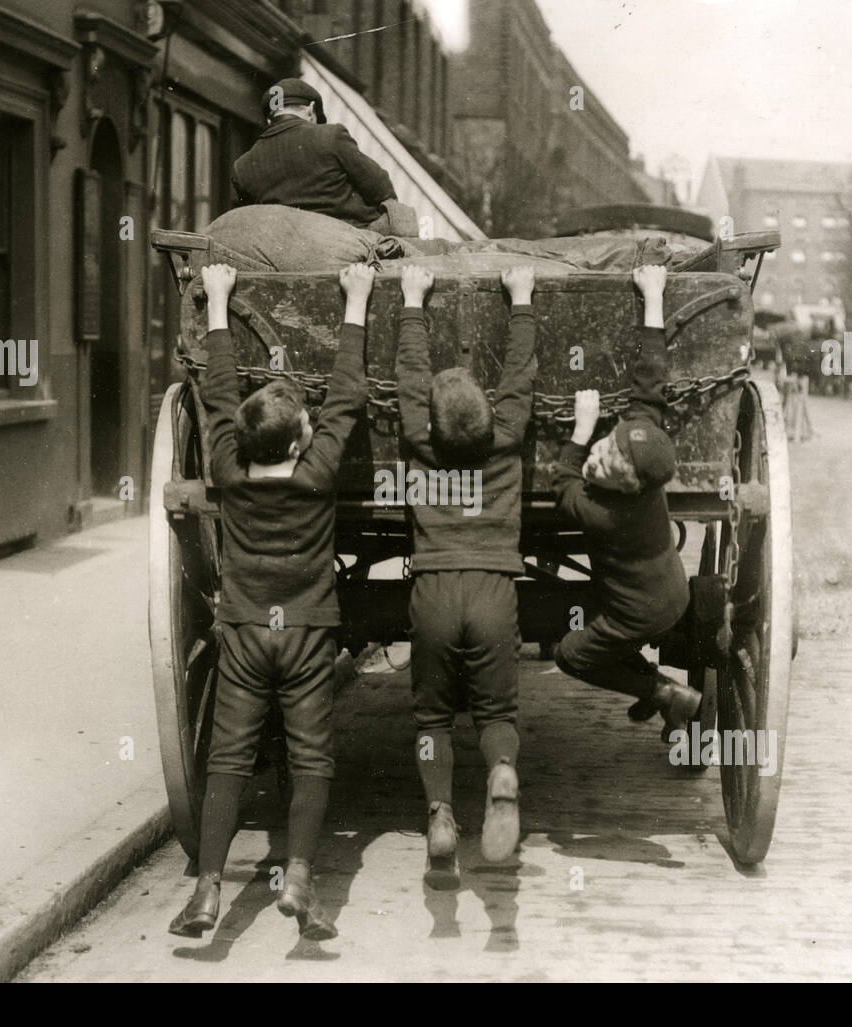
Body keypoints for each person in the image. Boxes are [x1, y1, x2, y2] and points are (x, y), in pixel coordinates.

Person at [167, 261, 374, 942]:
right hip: (309, 636)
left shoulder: (228, 470)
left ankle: (206, 890)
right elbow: (347, 395)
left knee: (228, 756)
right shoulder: (317, 477)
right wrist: (357, 301)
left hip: (246, 633)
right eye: (308, 424)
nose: (318, 424)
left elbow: (221, 399)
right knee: (313, 758)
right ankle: (302, 878)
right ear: (298, 442)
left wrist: (219, 304)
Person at [394, 264, 536, 887]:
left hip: (432, 591)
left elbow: (407, 380)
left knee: (431, 719)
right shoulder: (505, 439)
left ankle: (441, 813)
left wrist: (412, 303)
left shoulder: (421, 444)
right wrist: (523, 299)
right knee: (496, 710)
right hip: (493, 589)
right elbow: (519, 379)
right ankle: (501, 768)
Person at [549, 266, 702, 742]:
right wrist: (653, 294)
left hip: (640, 610)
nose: (598, 455)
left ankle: (663, 693)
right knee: (608, 638)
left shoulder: (604, 513)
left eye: (610, 463)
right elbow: (649, 380)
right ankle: (655, 688)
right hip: (667, 593)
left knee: (571, 653)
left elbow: (563, 488)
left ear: (632, 484)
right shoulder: (643, 454)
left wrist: (580, 430)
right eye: (607, 443)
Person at [231, 78, 411, 235]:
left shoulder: (242, 166)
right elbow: (382, 189)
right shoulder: (331, 135)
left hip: (281, 250)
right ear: (310, 110)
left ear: (269, 120)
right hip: (347, 242)